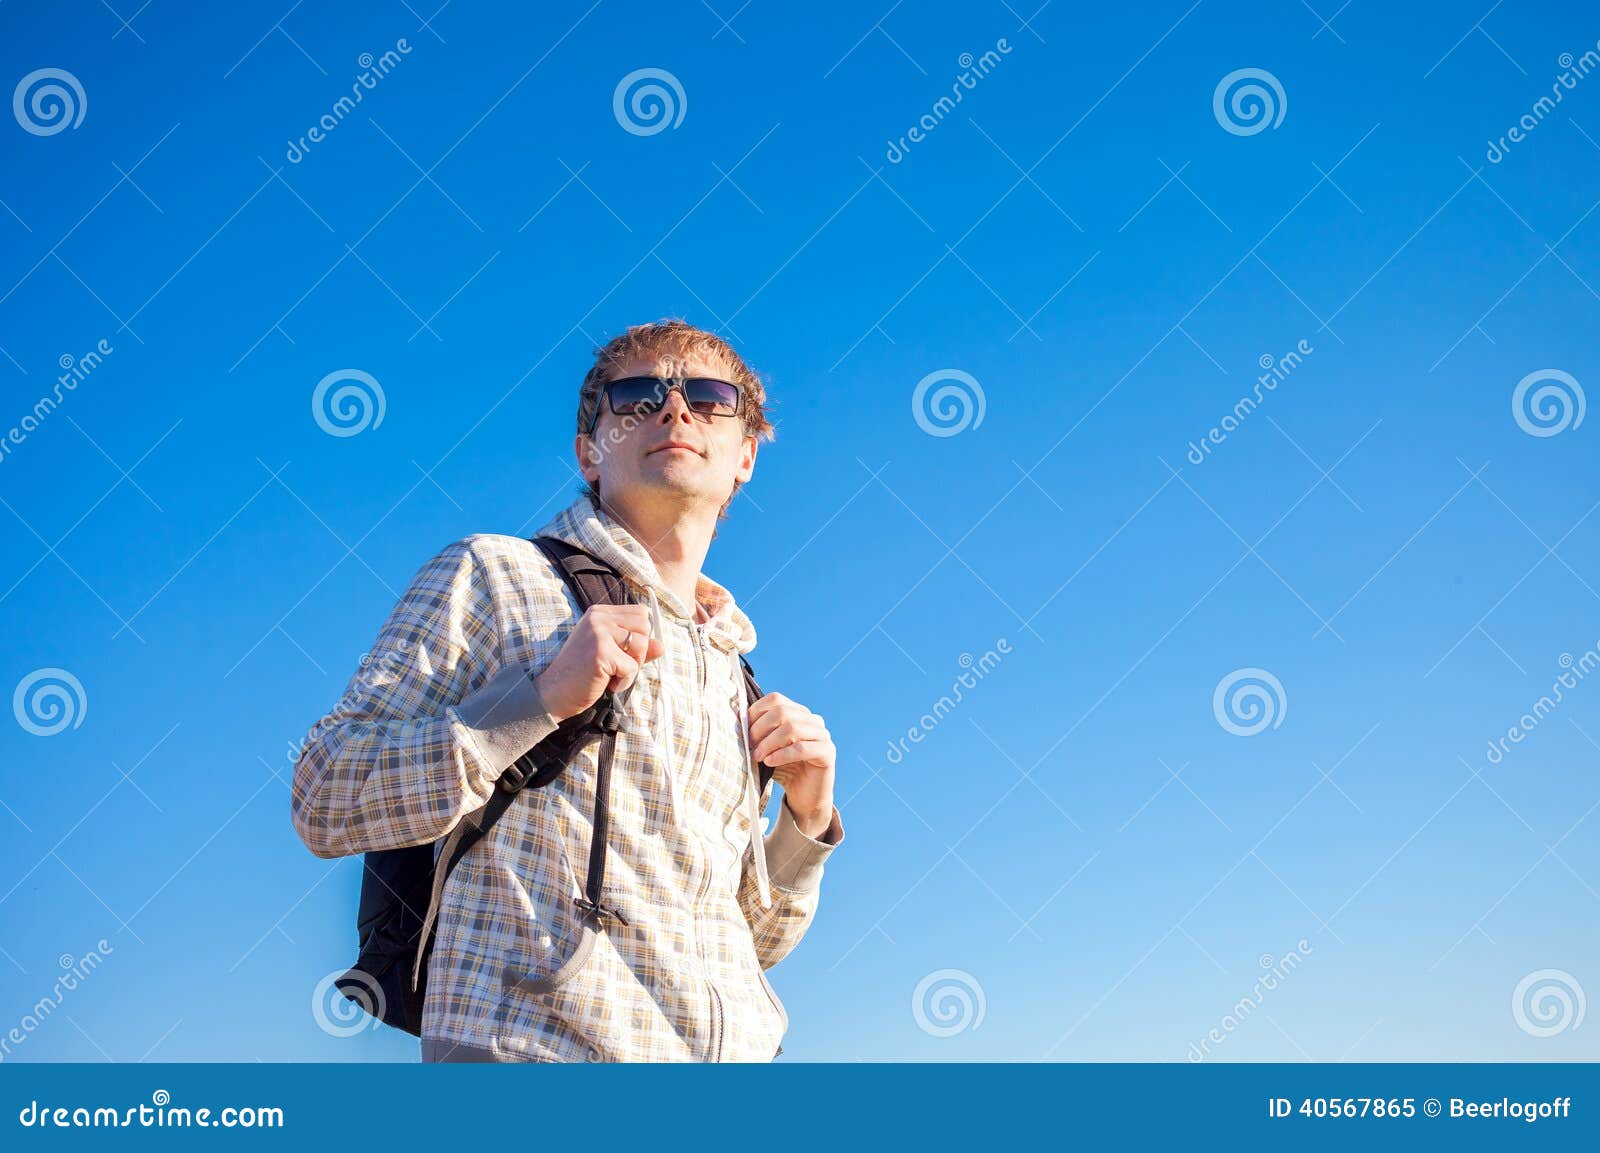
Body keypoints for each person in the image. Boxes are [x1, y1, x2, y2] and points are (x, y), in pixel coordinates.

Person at [290, 319, 844, 1062]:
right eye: (639, 395)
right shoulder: (496, 574)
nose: (674, 409)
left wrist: (806, 824)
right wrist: (537, 700)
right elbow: (325, 793)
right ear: (590, 451)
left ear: (745, 454)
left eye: (709, 397)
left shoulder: (733, 673)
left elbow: (747, 945)